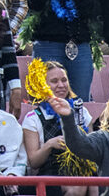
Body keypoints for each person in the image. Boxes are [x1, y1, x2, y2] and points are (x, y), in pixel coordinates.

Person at [22, 61, 95, 196]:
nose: (61, 85)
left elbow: (93, 148)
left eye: (64, 80)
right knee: (78, 187)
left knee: (94, 181)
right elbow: (33, 162)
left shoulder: (81, 111)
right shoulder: (33, 117)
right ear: (43, 86)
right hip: (51, 173)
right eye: (54, 81)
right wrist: (49, 145)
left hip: (82, 169)